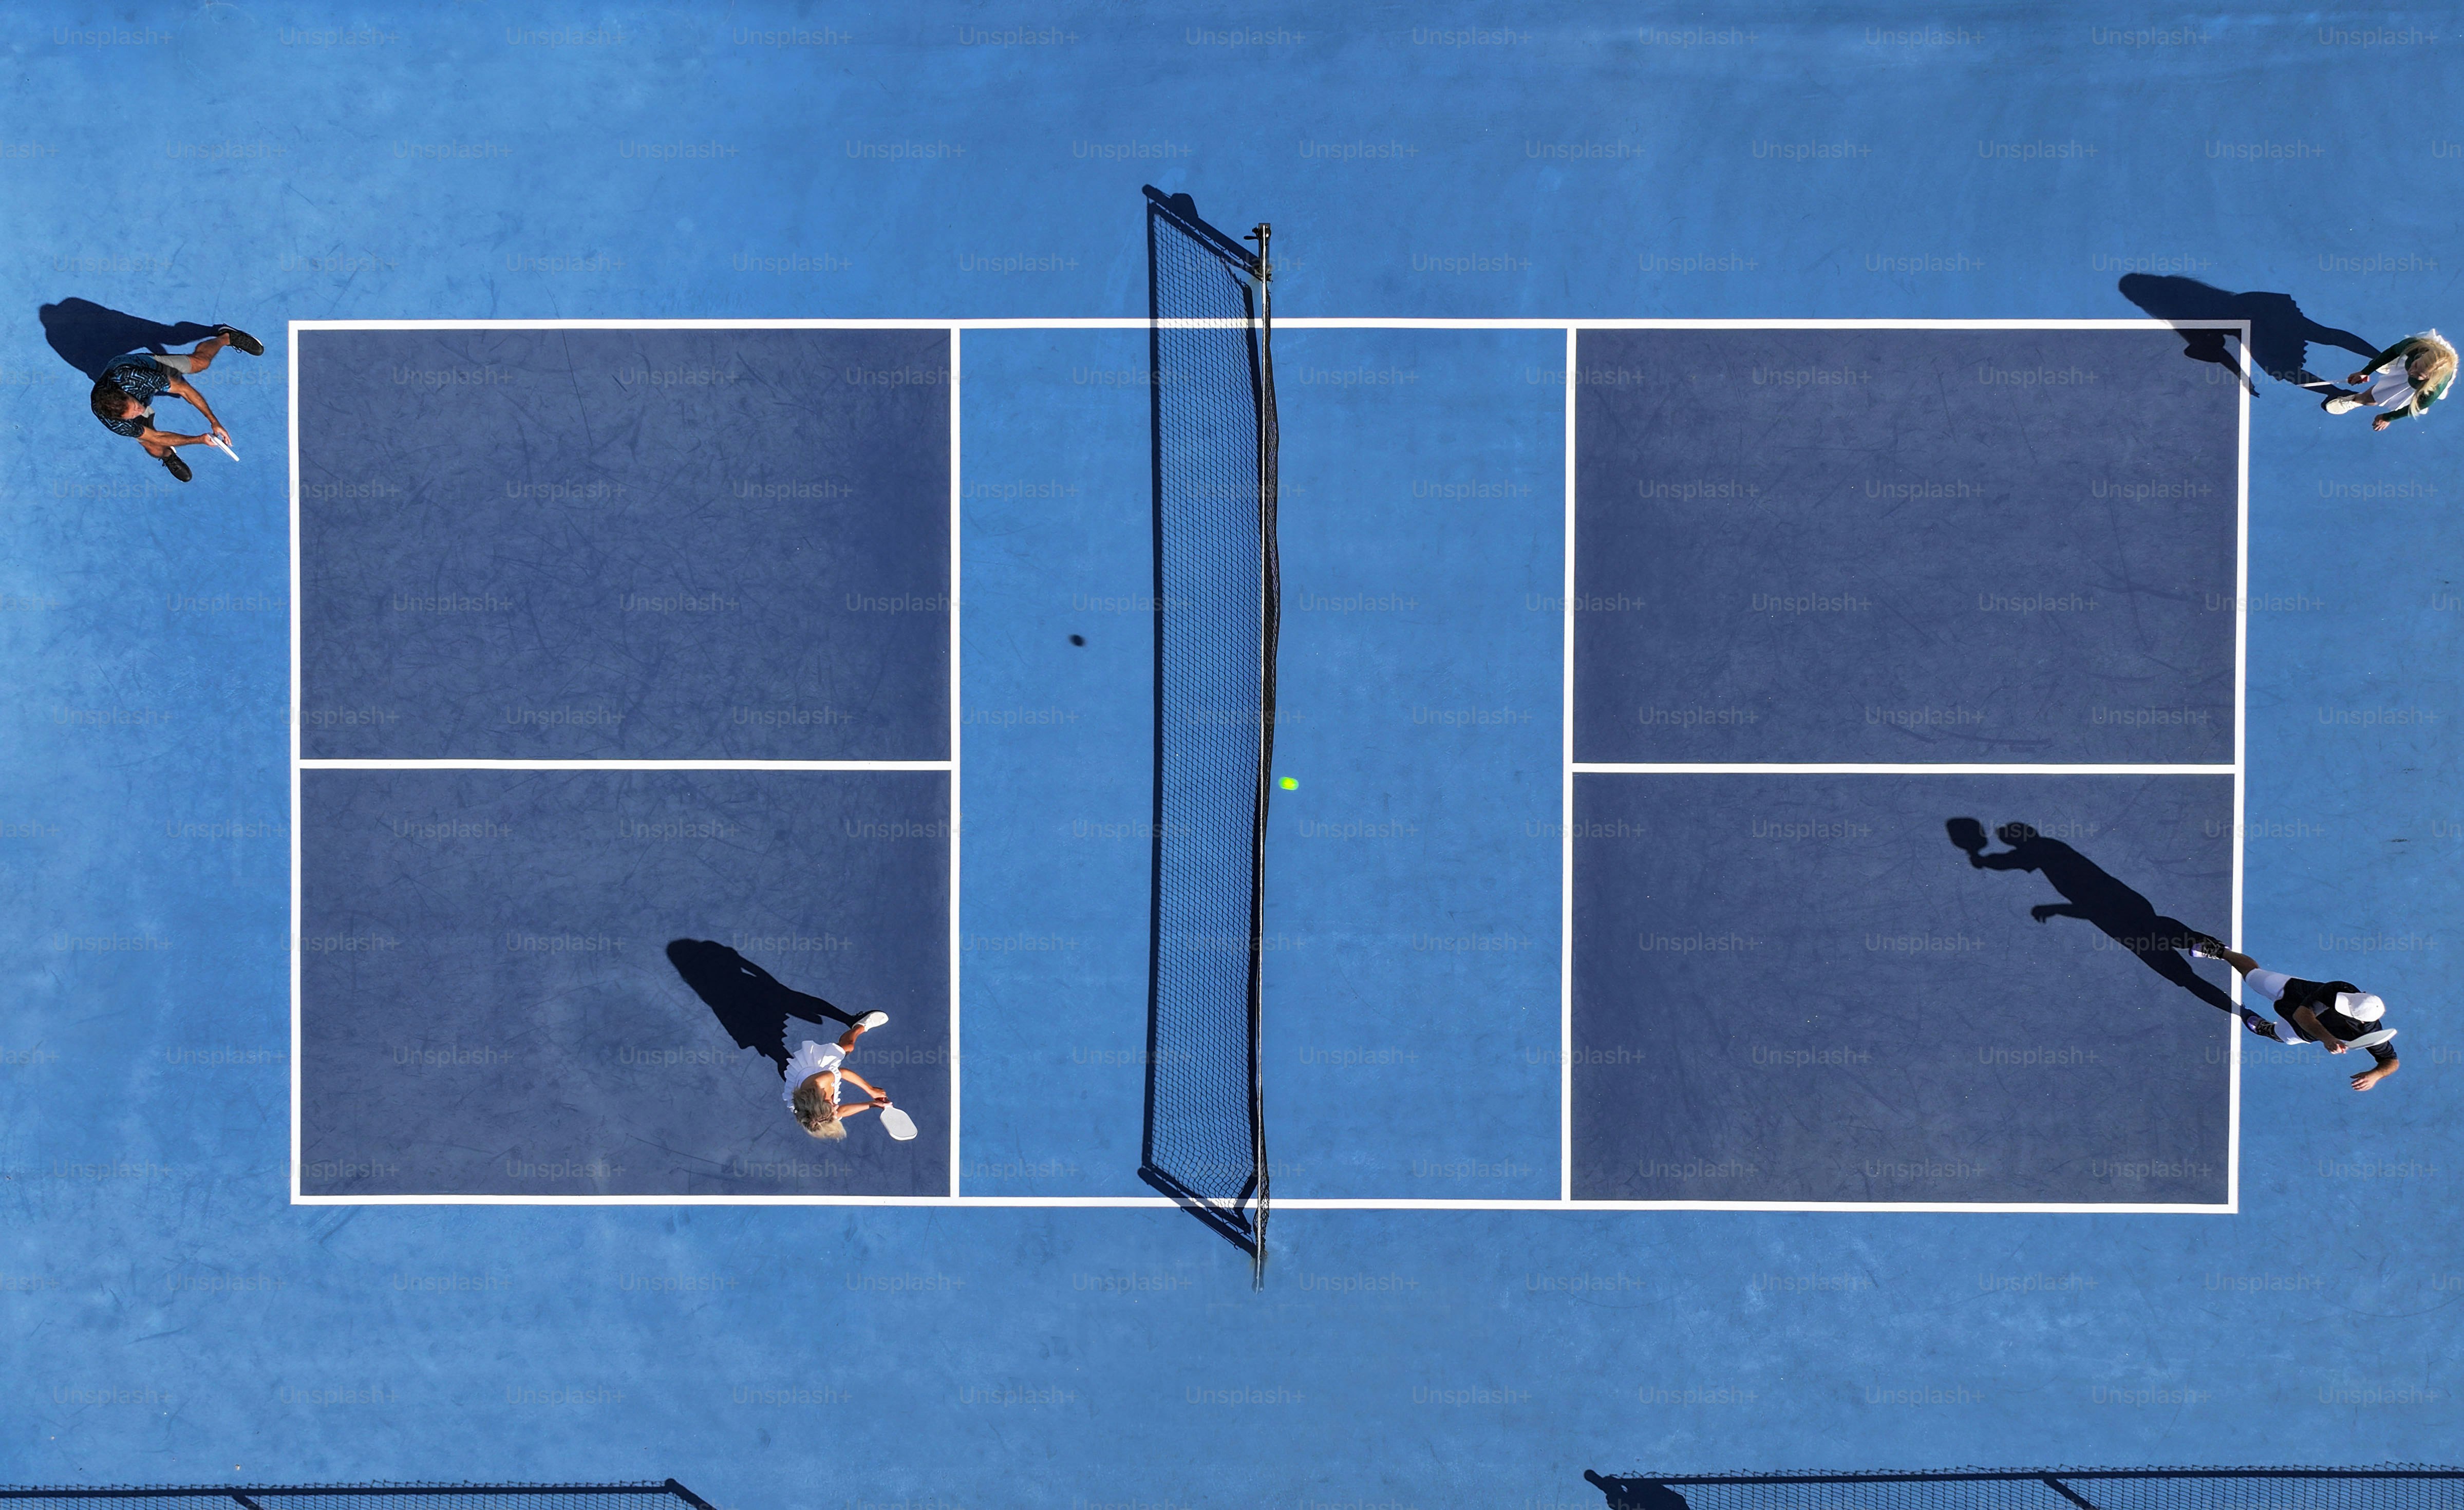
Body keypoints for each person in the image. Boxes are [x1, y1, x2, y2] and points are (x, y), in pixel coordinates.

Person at [2188, 939, 2400, 1091]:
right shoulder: (2342, 988)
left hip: (2302, 1032)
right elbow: (2302, 1014)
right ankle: (2221, 951)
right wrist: (2328, 1039)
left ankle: (2268, 1029)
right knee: (2252, 976)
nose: (2343, 1000)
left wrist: (2376, 1075)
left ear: (2361, 1021)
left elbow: (2391, 1060)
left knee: (2281, 1037)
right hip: (2294, 993)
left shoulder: (2368, 1031)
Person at [86, 325, 263, 481]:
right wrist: (199, 440)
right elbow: (156, 437)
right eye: (132, 414)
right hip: (131, 395)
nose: (139, 411)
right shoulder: (114, 422)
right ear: (120, 418)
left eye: (135, 406)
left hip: (145, 367)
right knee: (153, 446)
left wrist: (214, 421)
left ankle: (227, 337)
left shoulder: (133, 377)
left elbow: (184, 389)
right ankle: (169, 456)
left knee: (200, 363)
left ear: (125, 393)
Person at [2322, 331, 2455, 431]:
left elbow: (2415, 408)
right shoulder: (2415, 346)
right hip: (2416, 358)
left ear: (2428, 378)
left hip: (2416, 385)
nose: (2411, 372)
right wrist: (2365, 372)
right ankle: (2395, 364)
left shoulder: (2431, 391)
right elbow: (2392, 351)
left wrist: (2387, 417)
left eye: (2419, 374)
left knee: (2373, 399)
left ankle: (2358, 400)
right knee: (2398, 359)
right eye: (2415, 366)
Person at [785, 1017, 894, 1139]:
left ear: (821, 1103)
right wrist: (872, 1104)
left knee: (848, 1047)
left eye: (833, 1108)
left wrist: (871, 1090)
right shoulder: (819, 1117)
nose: (837, 1108)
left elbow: (841, 1072)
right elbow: (840, 1113)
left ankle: (860, 1025)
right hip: (813, 1090)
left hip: (815, 1066)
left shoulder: (820, 1082)